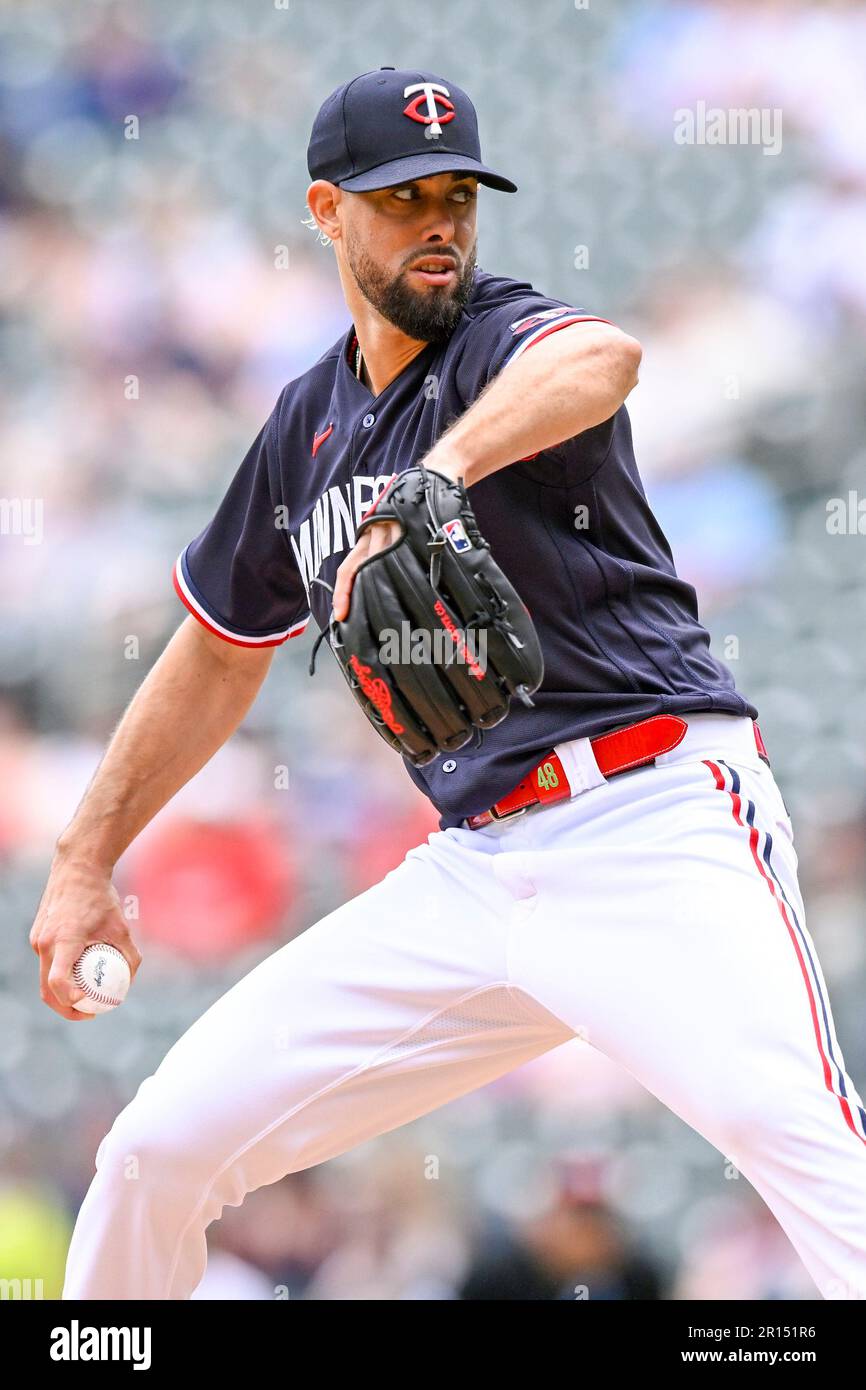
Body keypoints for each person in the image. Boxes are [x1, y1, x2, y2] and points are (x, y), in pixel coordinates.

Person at [33, 67, 866, 1301]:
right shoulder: (302, 430)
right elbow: (216, 648)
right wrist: (86, 858)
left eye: (457, 196)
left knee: (805, 1149)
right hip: (470, 868)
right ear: (325, 210)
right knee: (156, 1149)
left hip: (653, 824)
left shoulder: (500, 340)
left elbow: (604, 354)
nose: (439, 223)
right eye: (400, 198)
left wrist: (439, 474)